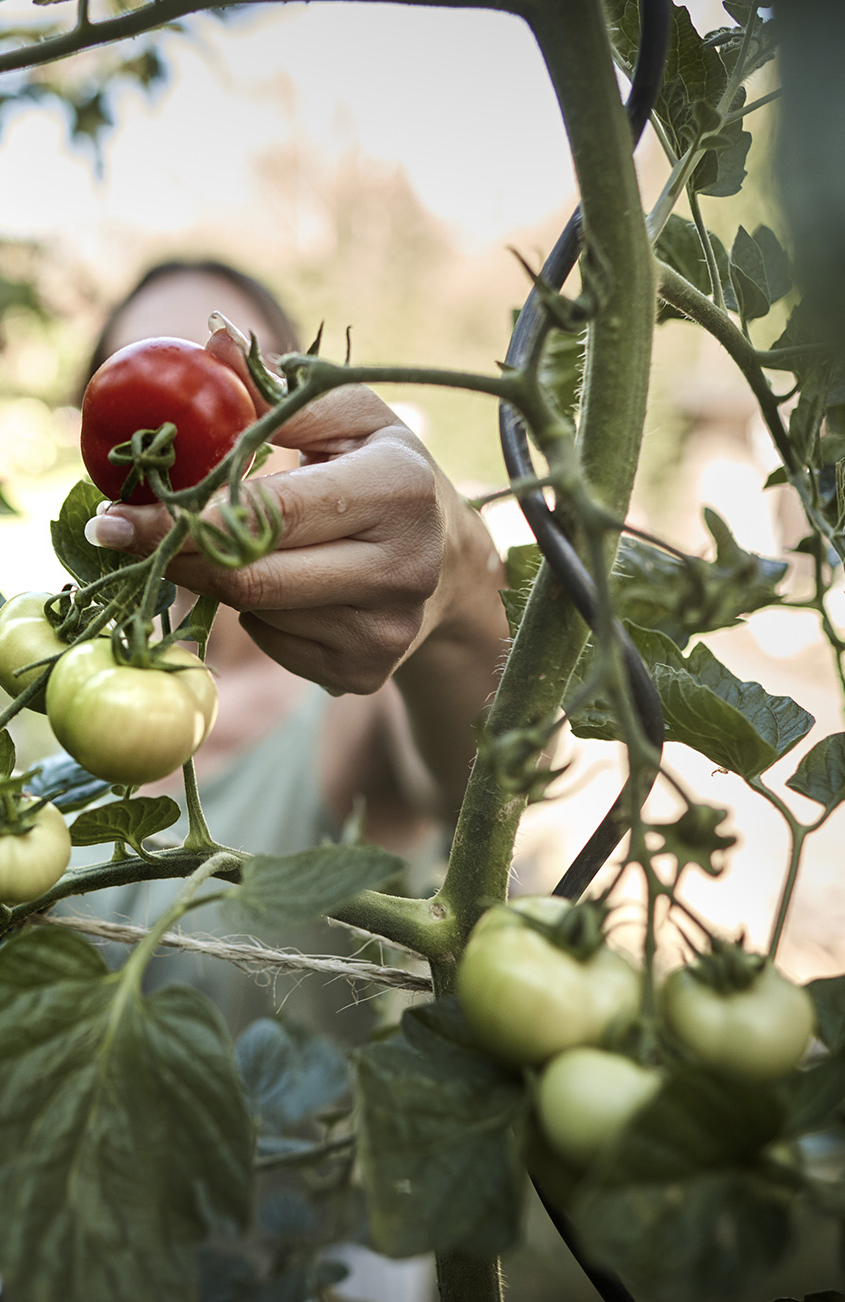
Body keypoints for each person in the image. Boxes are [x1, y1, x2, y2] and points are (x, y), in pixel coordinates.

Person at [60, 259, 511, 1033]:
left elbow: (478, 765)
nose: (175, 397)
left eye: (225, 367)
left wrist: (461, 594)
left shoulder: (356, 695)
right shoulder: (63, 670)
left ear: (300, 420)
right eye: (143, 359)